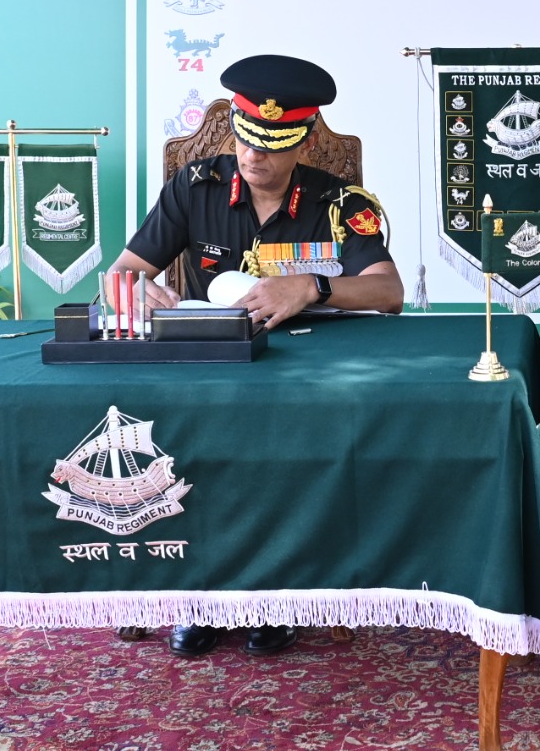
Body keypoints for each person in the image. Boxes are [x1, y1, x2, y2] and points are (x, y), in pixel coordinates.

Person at [109, 53, 404, 659]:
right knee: (194, 457)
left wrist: (313, 286)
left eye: (270, 144)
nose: (253, 155)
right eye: (246, 138)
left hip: (304, 370)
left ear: (301, 140)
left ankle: (277, 596)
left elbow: (389, 292)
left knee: (285, 460)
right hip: (210, 367)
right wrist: (139, 290)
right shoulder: (195, 186)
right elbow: (121, 277)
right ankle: (200, 597)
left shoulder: (341, 202)